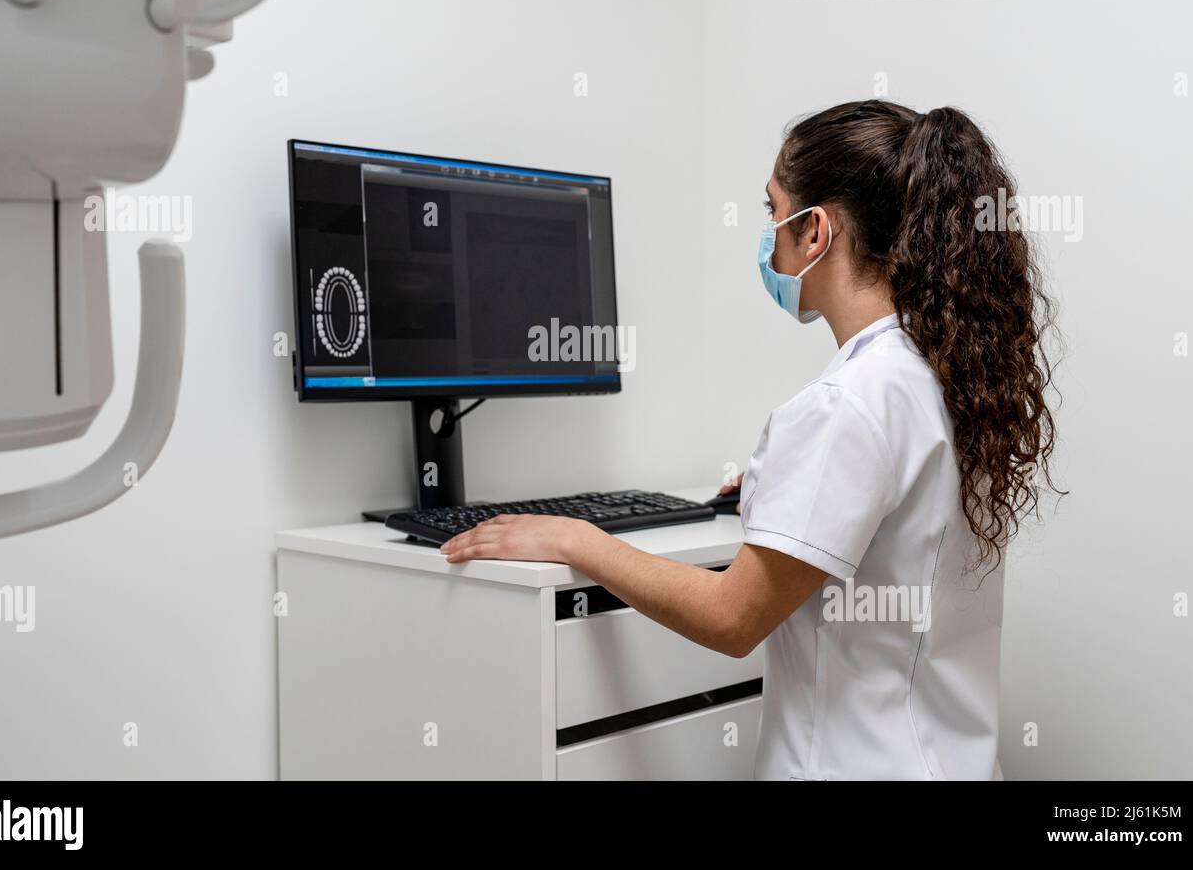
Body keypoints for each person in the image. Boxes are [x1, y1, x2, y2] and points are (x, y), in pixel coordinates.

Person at [440, 99, 1063, 780]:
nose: (769, 234)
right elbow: (898, 524)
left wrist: (576, 539)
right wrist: (781, 496)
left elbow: (732, 619)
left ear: (816, 231)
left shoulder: (844, 403)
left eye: (773, 211)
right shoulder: (948, 373)